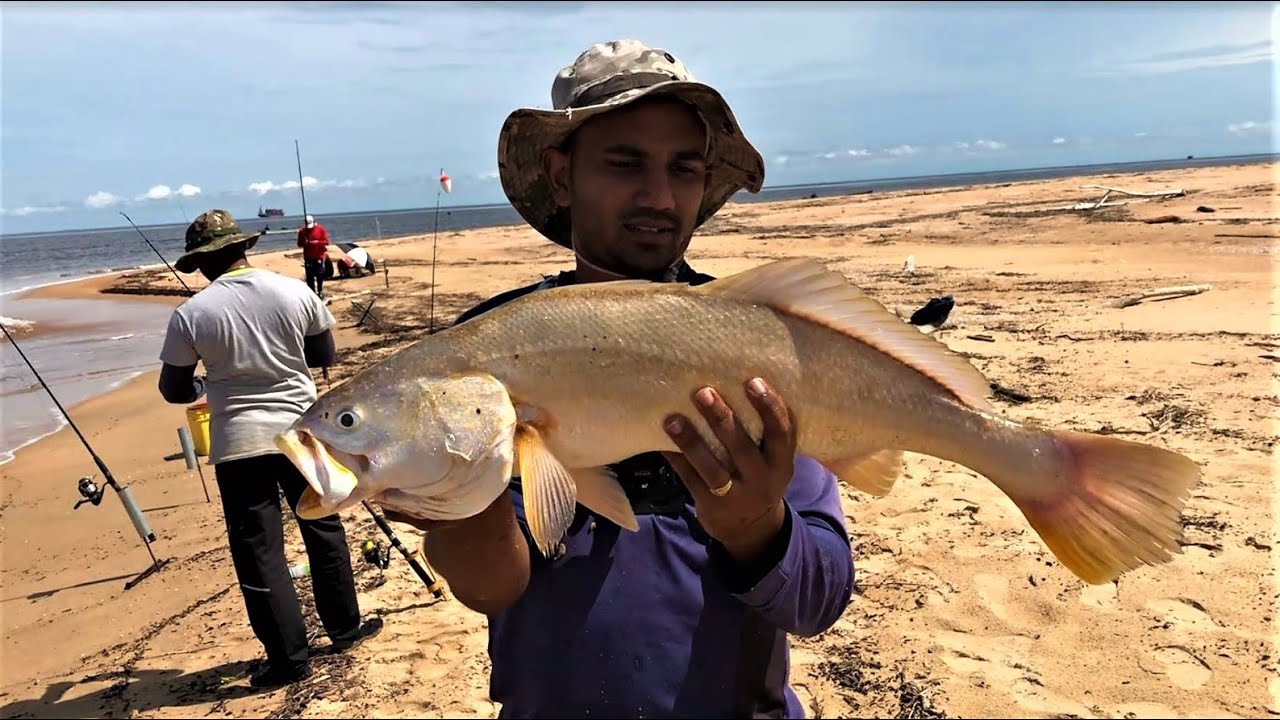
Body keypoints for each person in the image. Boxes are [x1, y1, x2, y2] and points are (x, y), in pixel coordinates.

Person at [382, 40, 855, 719]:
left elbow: (819, 600)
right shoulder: (487, 355)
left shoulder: (758, 344)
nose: (658, 197)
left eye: (683, 168)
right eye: (624, 163)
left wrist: (756, 526)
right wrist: (459, 495)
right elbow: (492, 588)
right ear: (561, 173)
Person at [157, 209, 382, 689]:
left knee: (260, 552)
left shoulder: (192, 315)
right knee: (323, 529)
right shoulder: (294, 290)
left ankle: (288, 660)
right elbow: (324, 355)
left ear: (200, 263)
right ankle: (344, 629)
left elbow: (173, 390)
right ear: (244, 248)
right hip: (304, 433)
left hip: (239, 443)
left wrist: (206, 380)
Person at [296, 214, 330, 298]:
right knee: (309, 277)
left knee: (320, 274)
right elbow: (299, 244)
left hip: (319, 256)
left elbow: (326, 242)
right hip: (308, 257)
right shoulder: (302, 231)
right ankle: (312, 293)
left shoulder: (320, 229)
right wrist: (305, 242)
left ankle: (320, 291)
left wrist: (317, 242)